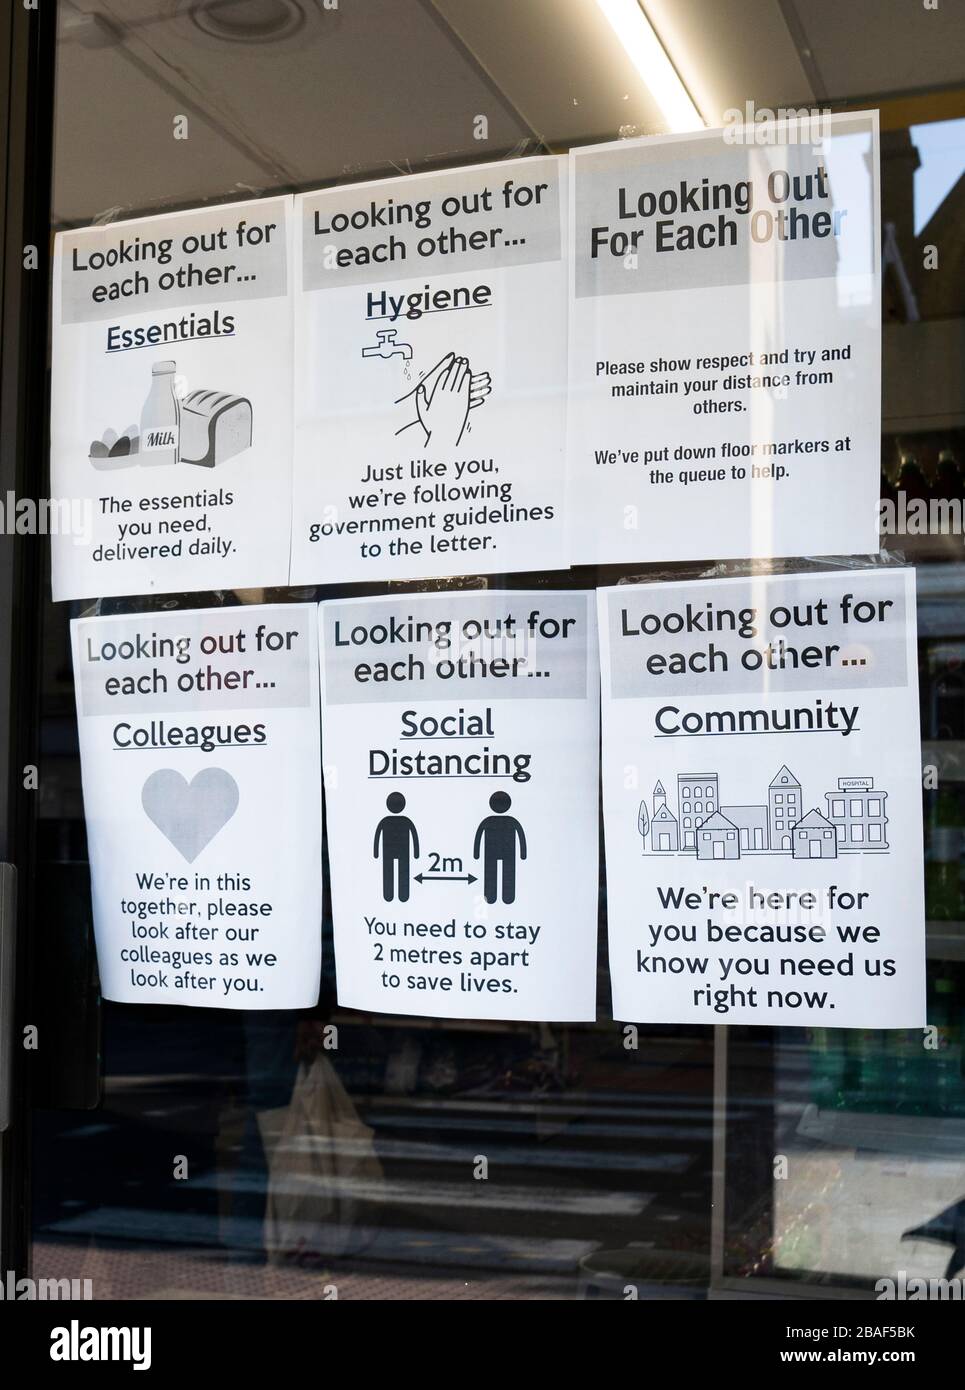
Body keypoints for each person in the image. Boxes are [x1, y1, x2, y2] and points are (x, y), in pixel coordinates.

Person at [473, 791, 526, 905]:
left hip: (499, 852)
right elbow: (521, 836)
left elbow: (478, 836)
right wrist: (523, 854)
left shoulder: (492, 820)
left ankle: (507, 898)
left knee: (507, 875)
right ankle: (496, 898)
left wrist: (476, 854)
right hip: (501, 851)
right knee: (493, 875)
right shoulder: (508, 821)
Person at [374, 793, 419, 902]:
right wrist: (416, 853)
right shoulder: (404, 821)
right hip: (399, 851)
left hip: (390, 851)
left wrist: (376, 853)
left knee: (395, 873)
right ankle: (397, 896)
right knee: (391, 873)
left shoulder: (386, 821)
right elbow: (414, 836)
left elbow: (377, 836)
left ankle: (393, 896)